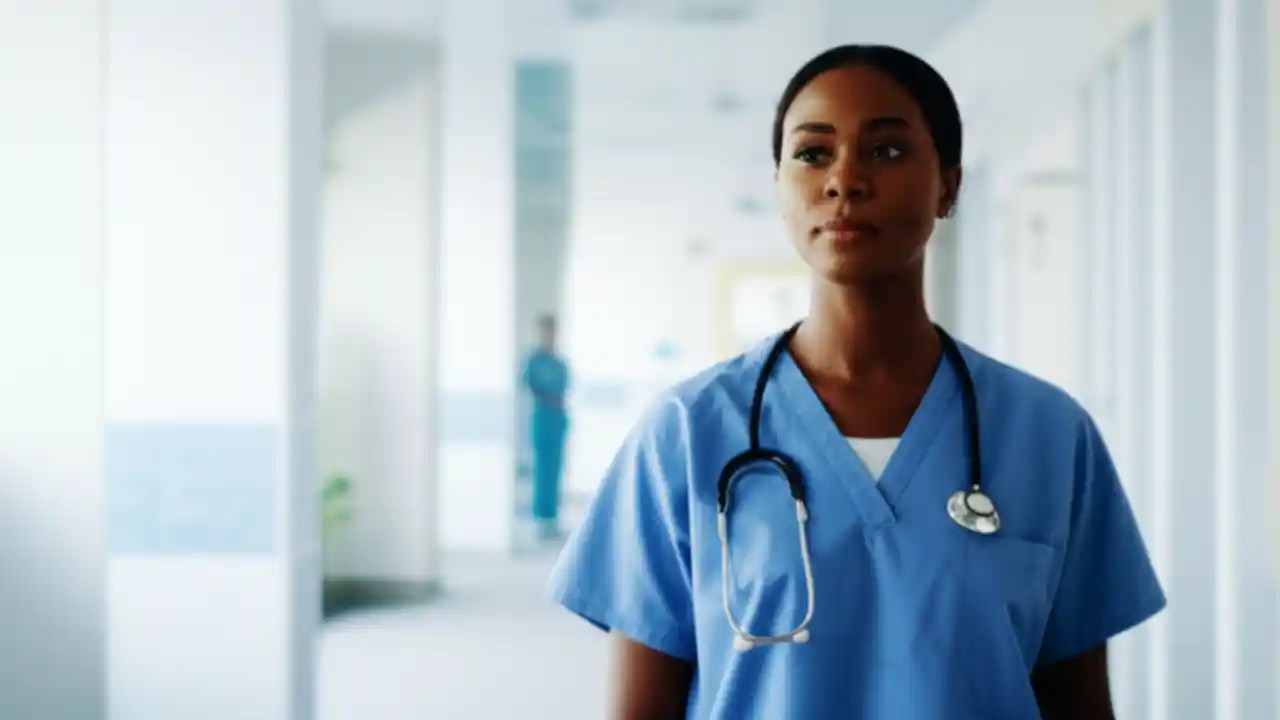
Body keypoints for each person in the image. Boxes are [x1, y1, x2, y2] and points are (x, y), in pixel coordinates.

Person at [547, 44, 1165, 719]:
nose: (845, 180)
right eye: (813, 154)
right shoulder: (688, 433)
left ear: (949, 186)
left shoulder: (1047, 435)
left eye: (888, 151)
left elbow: (1080, 704)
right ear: (779, 182)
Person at [523, 314, 570, 540]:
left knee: (555, 470)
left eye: (553, 331)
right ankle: (541, 519)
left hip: (558, 420)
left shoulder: (559, 363)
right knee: (542, 470)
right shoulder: (533, 361)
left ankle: (552, 518)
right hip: (542, 419)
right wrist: (548, 396)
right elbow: (532, 386)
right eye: (546, 331)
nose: (550, 335)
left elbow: (562, 388)